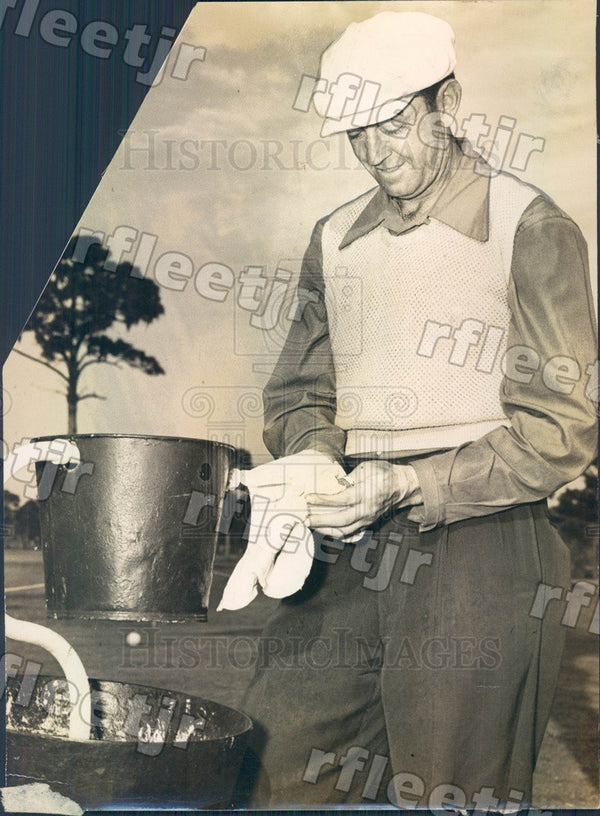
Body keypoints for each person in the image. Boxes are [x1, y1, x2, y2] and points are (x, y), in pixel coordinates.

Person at [234, 10, 597, 809]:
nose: (376, 153)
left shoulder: (529, 225)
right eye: (357, 135)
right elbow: (299, 392)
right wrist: (318, 460)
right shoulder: (334, 238)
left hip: (484, 542)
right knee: (275, 768)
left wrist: (409, 484)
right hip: (351, 539)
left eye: (394, 126)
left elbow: (560, 428)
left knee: (451, 792)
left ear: (449, 103)